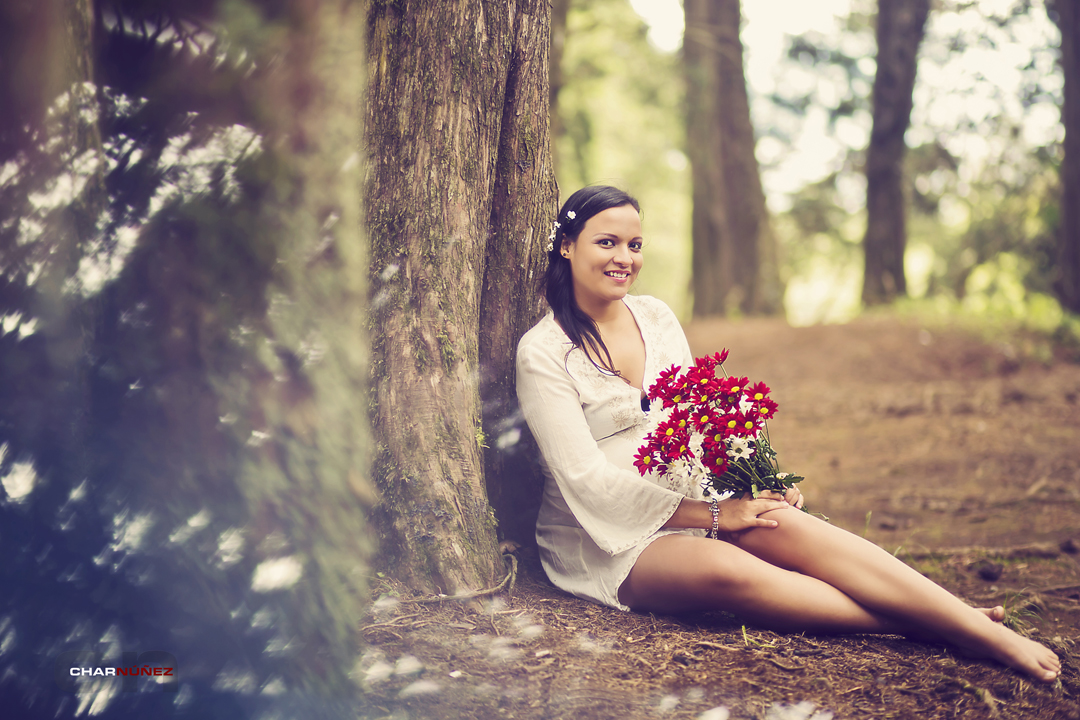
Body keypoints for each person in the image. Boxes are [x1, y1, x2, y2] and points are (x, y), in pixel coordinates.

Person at [514, 185, 1061, 683]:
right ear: (567, 246)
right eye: (607, 242)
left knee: (788, 522)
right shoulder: (543, 352)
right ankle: (949, 625)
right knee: (730, 572)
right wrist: (715, 516)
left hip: (694, 495)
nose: (625, 258)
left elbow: (695, 417)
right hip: (603, 539)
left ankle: (960, 620)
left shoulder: (654, 317)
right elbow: (583, 480)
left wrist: (753, 483)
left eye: (635, 245)